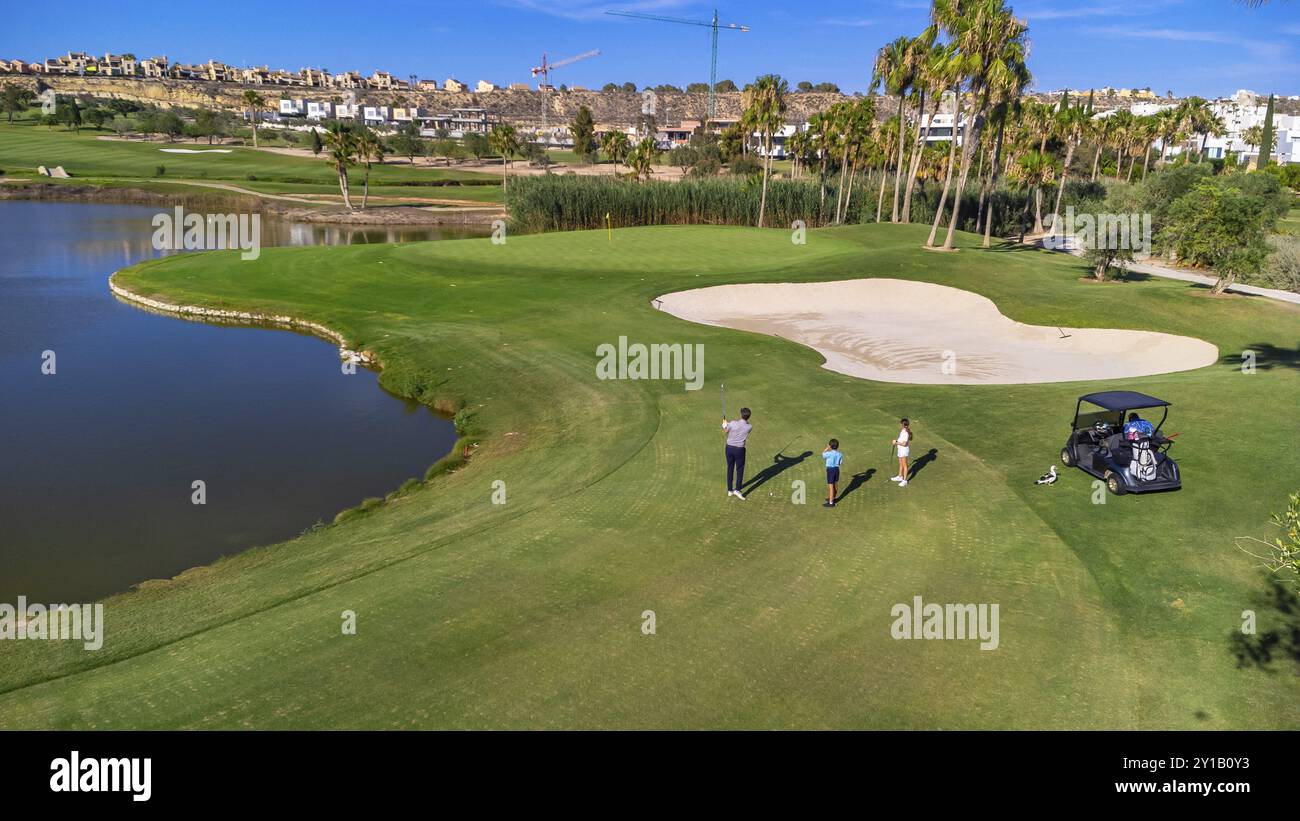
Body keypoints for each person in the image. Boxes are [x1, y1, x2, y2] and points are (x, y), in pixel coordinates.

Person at [722, 407, 752, 500]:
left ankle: (730, 490)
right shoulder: (749, 427)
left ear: (741, 415)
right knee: (739, 470)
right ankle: (737, 490)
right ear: (748, 417)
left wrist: (724, 425)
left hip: (729, 448)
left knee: (730, 468)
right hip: (739, 450)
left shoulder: (733, 423)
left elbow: (726, 431)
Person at [891, 418, 913, 488]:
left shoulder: (906, 433)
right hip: (900, 449)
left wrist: (896, 442)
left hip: (904, 450)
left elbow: (904, 444)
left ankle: (905, 480)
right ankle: (900, 476)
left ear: (902, 424)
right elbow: (901, 440)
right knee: (901, 464)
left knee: (905, 465)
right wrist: (896, 441)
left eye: (901, 424)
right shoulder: (903, 431)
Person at [822, 439, 843, 508]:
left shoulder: (829, 453)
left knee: (831, 487)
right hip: (837, 469)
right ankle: (833, 498)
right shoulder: (840, 454)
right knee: (835, 484)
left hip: (830, 470)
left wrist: (826, 448)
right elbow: (840, 463)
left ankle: (831, 503)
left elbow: (823, 455)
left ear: (830, 446)